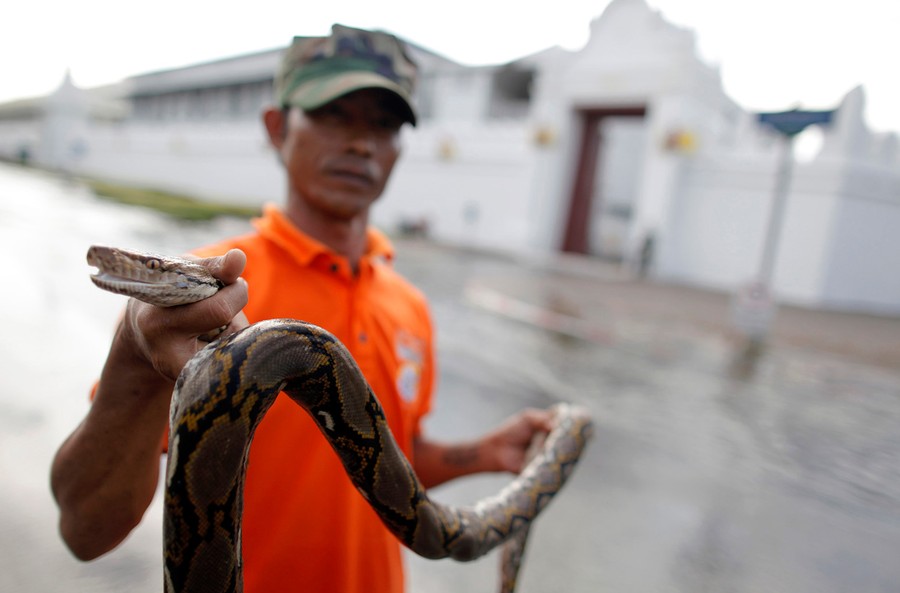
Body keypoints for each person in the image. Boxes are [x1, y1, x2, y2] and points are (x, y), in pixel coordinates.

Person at [50, 24, 553, 593]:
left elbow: (380, 452)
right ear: (277, 126)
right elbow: (84, 530)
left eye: (383, 124)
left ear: (399, 147)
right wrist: (133, 360)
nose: (361, 142)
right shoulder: (204, 293)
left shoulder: (408, 305)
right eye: (335, 113)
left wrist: (484, 452)